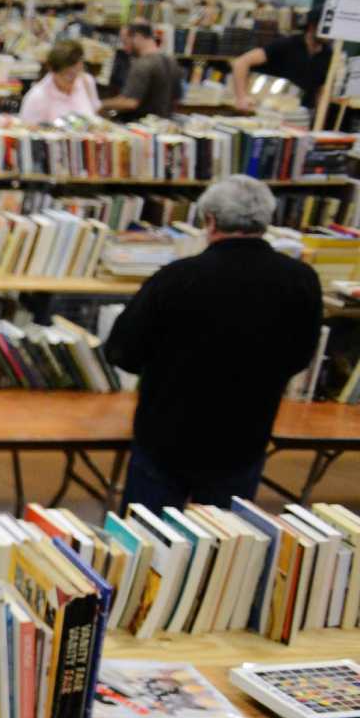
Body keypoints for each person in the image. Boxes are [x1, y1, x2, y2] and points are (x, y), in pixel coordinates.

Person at [103, 174, 323, 513]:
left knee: (147, 536)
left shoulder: (177, 278)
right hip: (244, 434)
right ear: (267, 221)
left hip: (167, 433)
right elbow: (299, 356)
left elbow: (123, 352)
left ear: (210, 220)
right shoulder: (301, 279)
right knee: (227, 544)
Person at [230, 18, 332, 112]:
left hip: (301, 115)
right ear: (312, 26)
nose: (330, 33)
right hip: (269, 110)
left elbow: (321, 90)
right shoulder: (287, 44)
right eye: (327, 28)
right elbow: (241, 62)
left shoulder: (328, 55)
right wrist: (241, 97)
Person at [99, 21, 178, 119]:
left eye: (125, 42)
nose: (125, 48)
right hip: (163, 124)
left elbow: (130, 103)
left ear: (137, 37)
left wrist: (100, 103)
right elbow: (177, 96)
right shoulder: (172, 62)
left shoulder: (142, 64)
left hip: (140, 125)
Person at [20, 40, 100, 124]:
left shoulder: (87, 82)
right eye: (67, 74)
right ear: (53, 71)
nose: (71, 79)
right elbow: (28, 130)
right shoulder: (37, 96)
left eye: (76, 72)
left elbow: (94, 117)